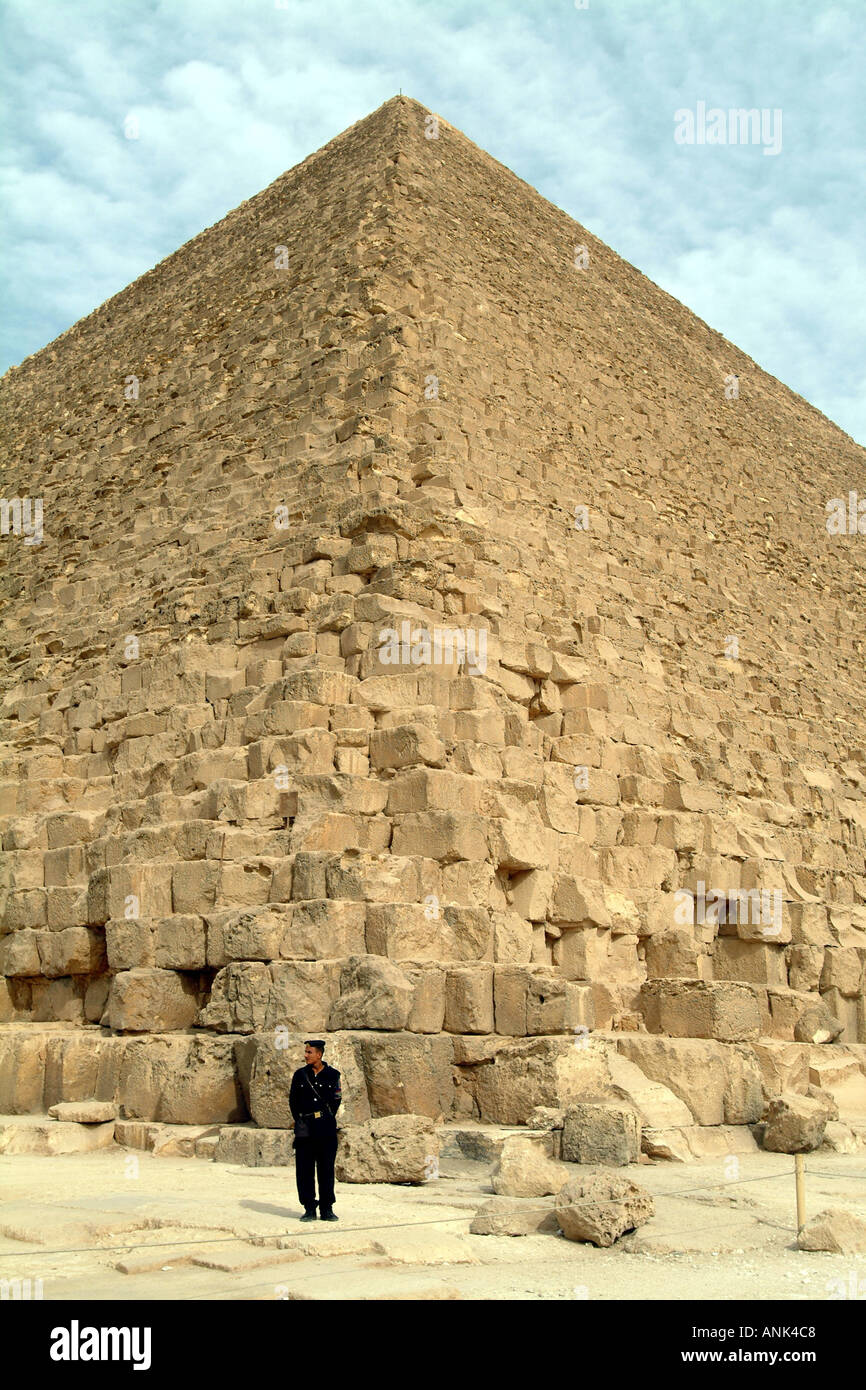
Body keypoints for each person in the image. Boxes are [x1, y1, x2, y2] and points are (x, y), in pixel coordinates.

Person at [289, 1039, 342, 1221]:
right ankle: (309, 1207)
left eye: (309, 1052)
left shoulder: (333, 1075)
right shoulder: (300, 1075)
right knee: (304, 1169)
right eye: (305, 1052)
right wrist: (302, 1120)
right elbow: (293, 1102)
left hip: (325, 1127)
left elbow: (336, 1099)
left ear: (319, 1054)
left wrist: (324, 1117)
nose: (306, 1055)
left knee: (326, 1169)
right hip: (305, 1127)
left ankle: (327, 1208)